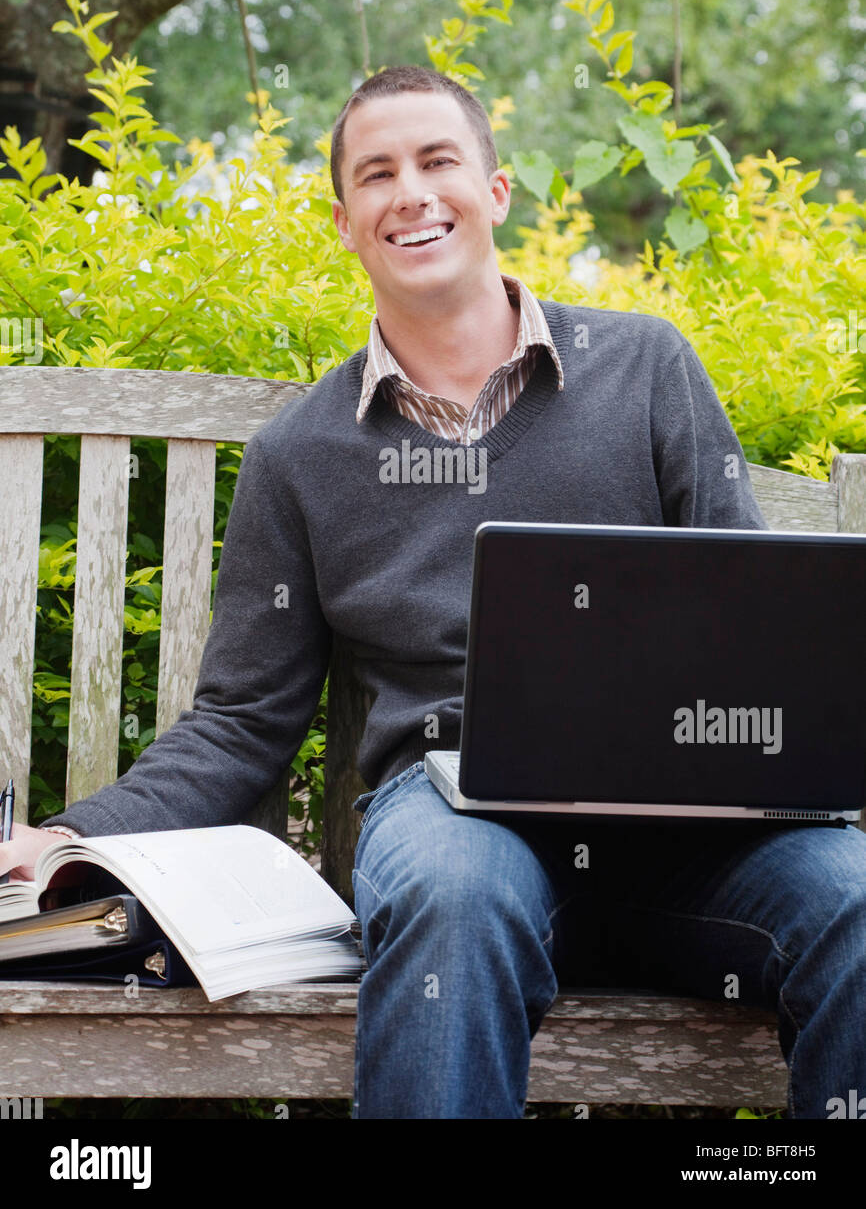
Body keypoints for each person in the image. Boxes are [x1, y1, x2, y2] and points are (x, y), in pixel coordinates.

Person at [3, 66, 865, 1119]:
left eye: (436, 161)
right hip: (457, 813)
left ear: (495, 190)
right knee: (453, 897)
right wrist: (68, 835)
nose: (409, 192)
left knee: (853, 900)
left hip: (681, 837)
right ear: (344, 222)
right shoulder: (300, 455)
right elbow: (238, 722)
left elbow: (752, 623)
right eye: (376, 174)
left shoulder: (644, 369)